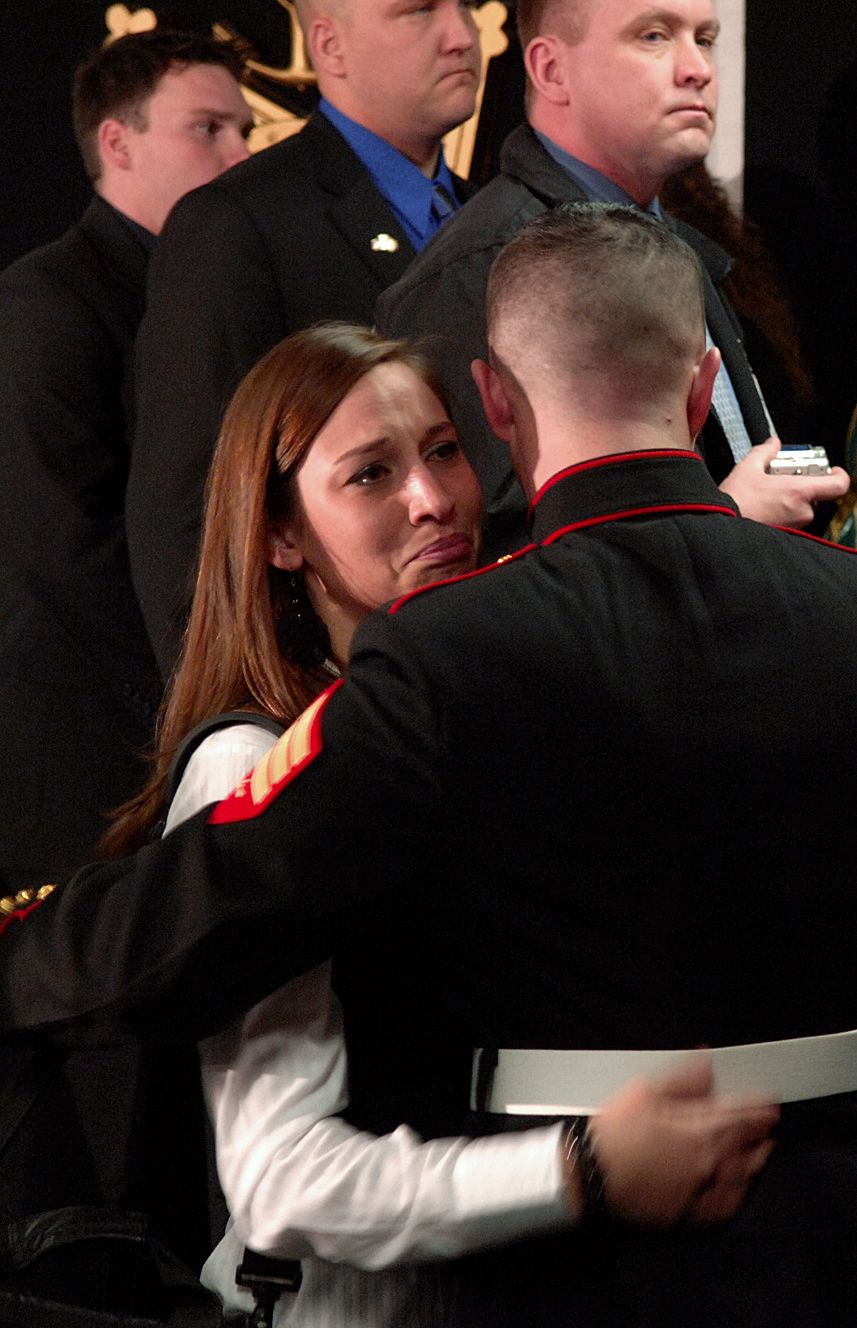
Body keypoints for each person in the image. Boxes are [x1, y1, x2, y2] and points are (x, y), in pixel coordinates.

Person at [10, 205, 855, 1325]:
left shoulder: (450, 651)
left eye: (443, 448)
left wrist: (25, 952)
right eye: (368, 473)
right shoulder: (835, 603)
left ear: (494, 404)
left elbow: (199, 913)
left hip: (572, 1280)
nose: (428, 498)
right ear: (704, 385)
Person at [377, 0, 849, 560]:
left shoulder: (665, 239)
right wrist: (727, 519)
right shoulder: (481, 267)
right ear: (552, 69)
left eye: (704, 39)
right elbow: (496, 556)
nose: (697, 68)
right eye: (653, 36)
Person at [127, 0, 483, 677]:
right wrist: (247, 713)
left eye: (464, 7)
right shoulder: (233, 222)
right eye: (418, 11)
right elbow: (191, 512)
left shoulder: (492, 214)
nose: (461, 36)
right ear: (329, 44)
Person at [0, 29, 252, 893]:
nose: (240, 155)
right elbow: (64, 548)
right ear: (118, 142)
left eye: (245, 130)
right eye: (208, 129)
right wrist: (215, 686)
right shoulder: (43, 302)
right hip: (84, 766)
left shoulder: (212, 290)